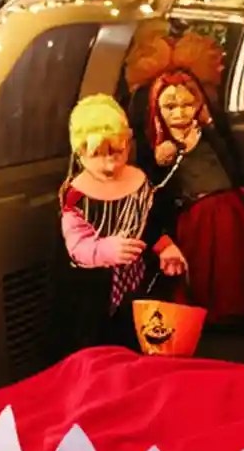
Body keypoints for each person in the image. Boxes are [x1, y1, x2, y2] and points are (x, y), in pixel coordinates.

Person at [123, 28, 244, 325]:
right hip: (196, 213)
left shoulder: (208, 134)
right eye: (170, 107)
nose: (180, 113)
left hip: (231, 206)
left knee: (241, 267)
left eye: (187, 104)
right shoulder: (156, 147)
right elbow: (153, 190)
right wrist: (160, 159)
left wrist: (209, 128)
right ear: (156, 110)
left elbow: (232, 165)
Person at [52, 94, 187, 355]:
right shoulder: (77, 196)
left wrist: (164, 246)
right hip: (92, 289)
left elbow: (150, 225)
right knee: (98, 346)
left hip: (138, 282)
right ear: (80, 153)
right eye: (98, 155)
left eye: (117, 151)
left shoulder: (139, 181)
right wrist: (103, 250)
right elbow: (75, 244)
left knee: (139, 340)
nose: (110, 161)